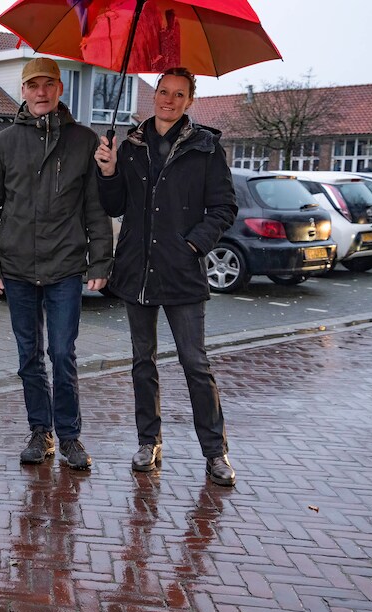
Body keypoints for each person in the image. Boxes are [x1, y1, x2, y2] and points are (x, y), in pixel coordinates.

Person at [93, 67, 239, 486]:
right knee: (143, 361)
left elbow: (224, 207)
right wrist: (108, 170)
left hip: (182, 273)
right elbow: (115, 206)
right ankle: (148, 442)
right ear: (154, 94)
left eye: (178, 94)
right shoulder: (131, 146)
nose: (168, 100)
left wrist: (192, 245)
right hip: (137, 270)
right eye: (163, 91)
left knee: (195, 362)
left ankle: (215, 453)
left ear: (189, 101)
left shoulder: (206, 148)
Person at [0, 58, 114, 469]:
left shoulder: (84, 141)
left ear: (60, 89)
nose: (41, 92)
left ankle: (69, 436)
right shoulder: (5, 143)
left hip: (65, 267)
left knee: (63, 353)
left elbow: (95, 209)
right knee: (29, 355)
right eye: (33, 85)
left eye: (48, 84)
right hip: (16, 267)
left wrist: (100, 261)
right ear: (22, 91)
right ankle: (41, 432)